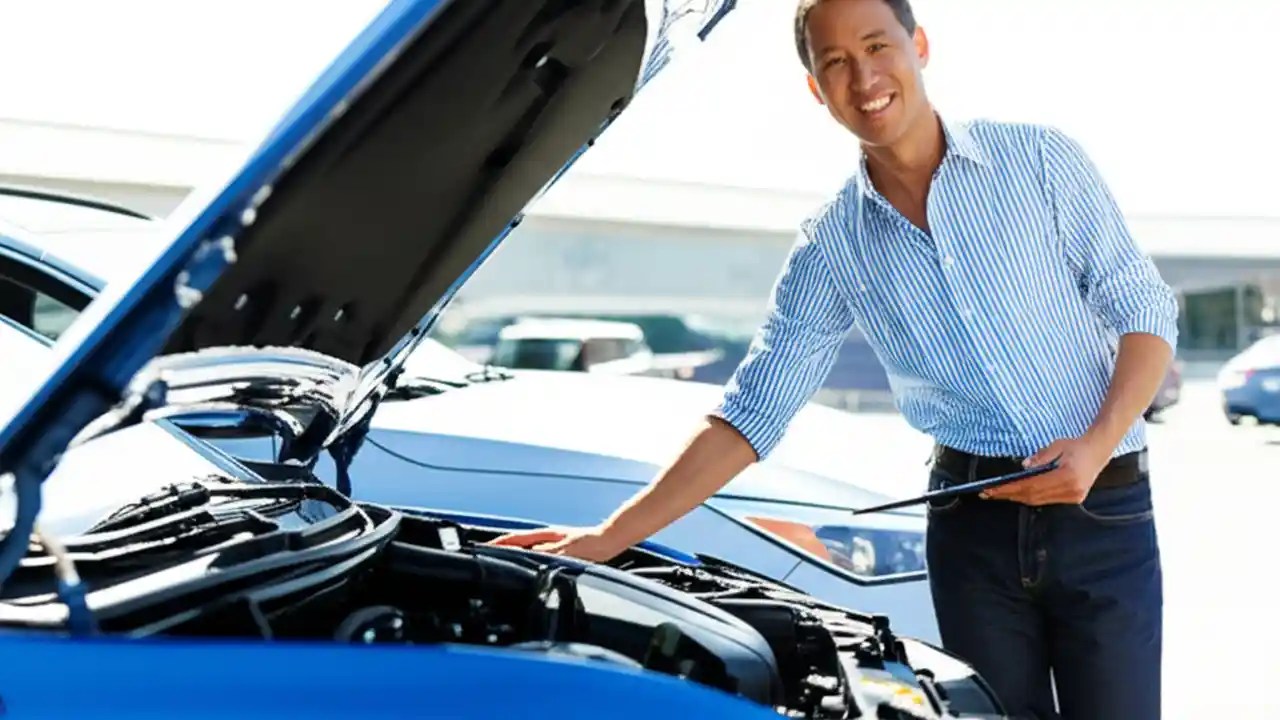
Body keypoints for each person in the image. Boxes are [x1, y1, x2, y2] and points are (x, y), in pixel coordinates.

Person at [492, 1, 1175, 717]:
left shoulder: (1038, 161)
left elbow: (1146, 311)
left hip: (1105, 514)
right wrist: (608, 537)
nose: (864, 77)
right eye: (836, 62)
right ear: (816, 88)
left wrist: (1097, 444)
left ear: (919, 46)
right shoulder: (832, 244)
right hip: (973, 533)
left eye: (877, 46)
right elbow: (751, 413)